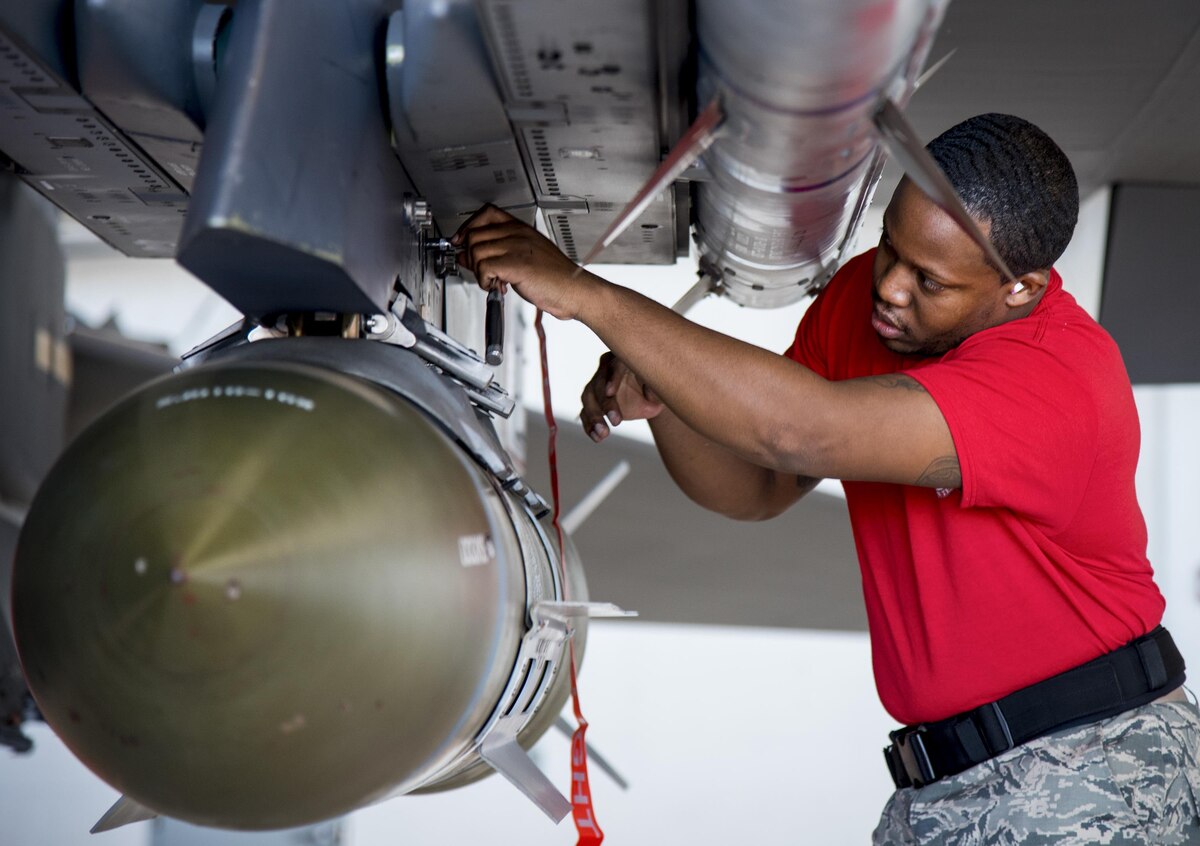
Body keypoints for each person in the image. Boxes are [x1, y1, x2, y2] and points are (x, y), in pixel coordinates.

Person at [452, 113, 1200, 844]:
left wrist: (587, 295)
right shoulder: (867, 308)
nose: (892, 289)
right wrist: (667, 399)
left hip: (1095, 771)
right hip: (948, 782)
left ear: (1021, 289)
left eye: (930, 281)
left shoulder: (1059, 381)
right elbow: (759, 485)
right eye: (889, 250)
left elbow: (801, 427)